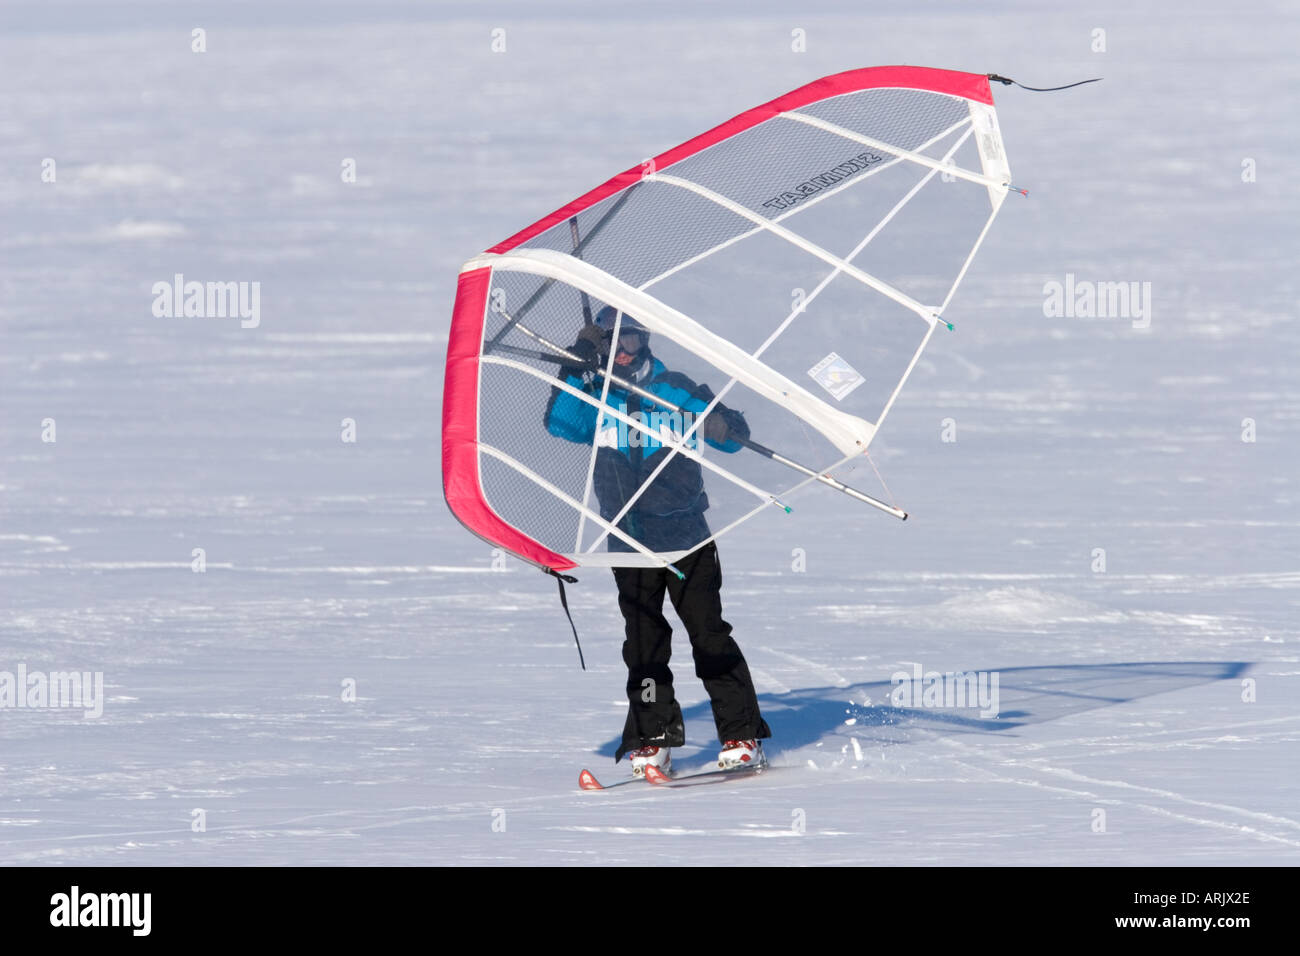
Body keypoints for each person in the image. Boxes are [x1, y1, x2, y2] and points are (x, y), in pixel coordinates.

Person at [544, 304, 771, 776]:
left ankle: (740, 733)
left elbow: (734, 437)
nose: (621, 351)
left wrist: (722, 424)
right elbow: (560, 422)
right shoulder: (593, 395)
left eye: (629, 340)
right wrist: (577, 359)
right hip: (629, 538)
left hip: (686, 535)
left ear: (644, 340)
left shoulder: (677, 389)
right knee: (644, 643)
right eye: (610, 341)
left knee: (708, 634)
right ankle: (652, 738)